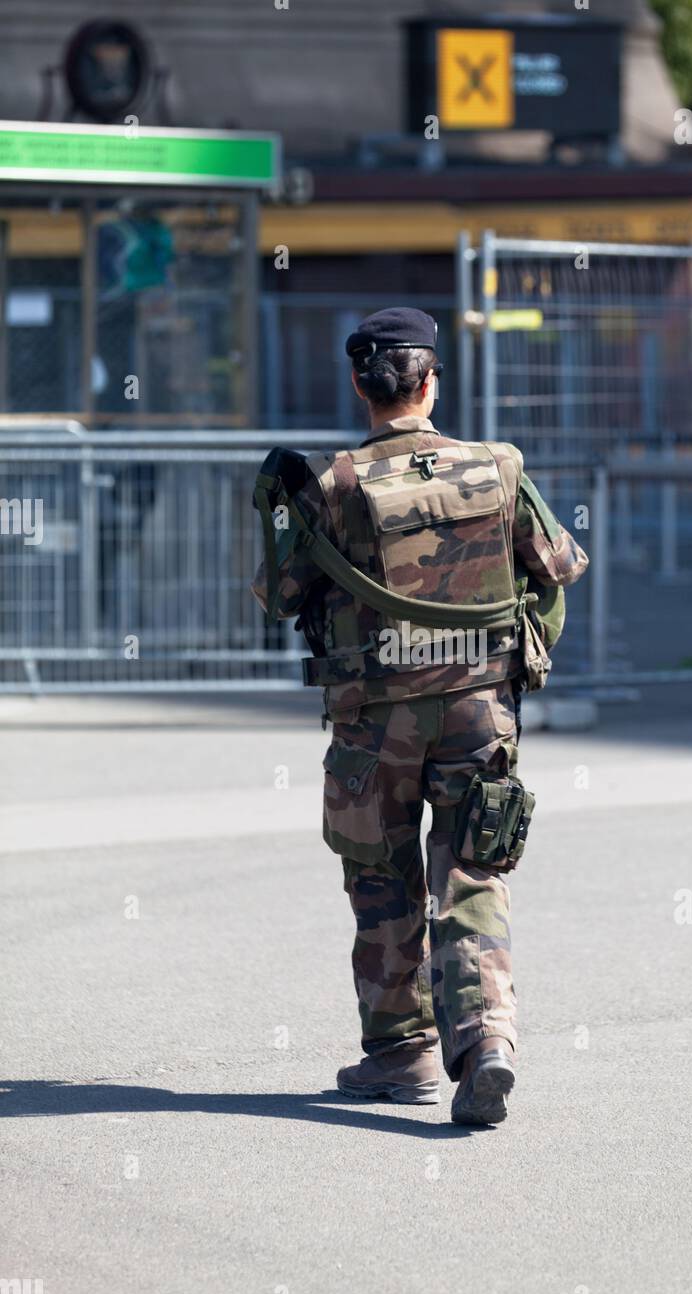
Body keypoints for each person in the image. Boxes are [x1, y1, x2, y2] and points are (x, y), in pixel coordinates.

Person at [251, 307, 587, 1126]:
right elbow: (562, 565)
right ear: (432, 380)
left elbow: (280, 595)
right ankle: (487, 1043)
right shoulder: (499, 468)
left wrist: (277, 507)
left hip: (374, 723)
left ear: (360, 385)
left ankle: (402, 1053)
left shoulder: (334, 486)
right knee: (472, 873)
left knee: (382, 881)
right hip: (481, 714)